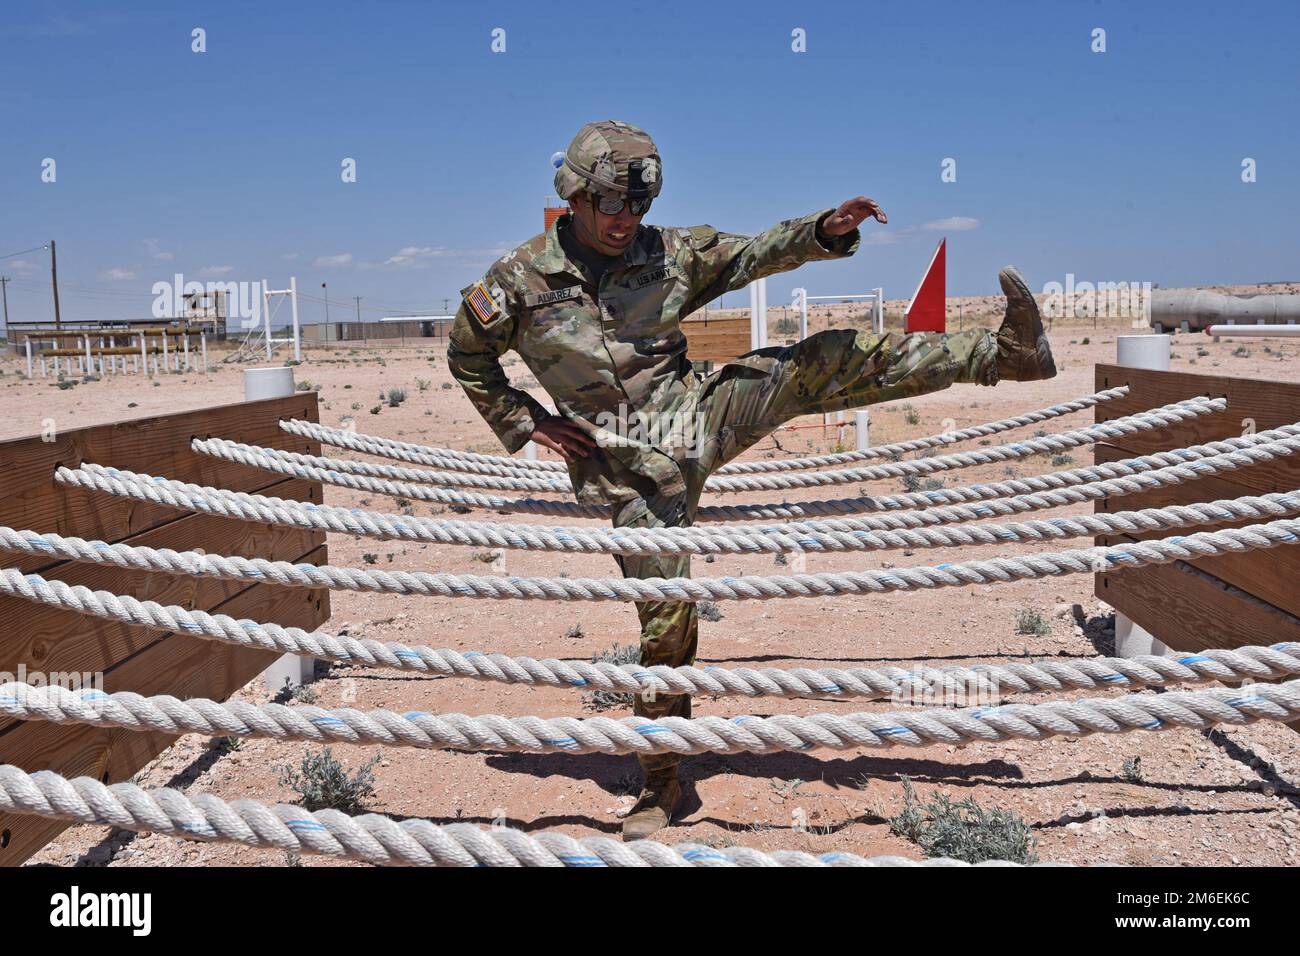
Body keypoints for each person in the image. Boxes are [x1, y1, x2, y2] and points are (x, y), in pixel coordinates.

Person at [447, 119, 1055, 840]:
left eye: (638, 206)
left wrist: (825, 230)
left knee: (816, 362)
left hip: (699, 416)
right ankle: (664, 785)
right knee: (667, 627)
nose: (625, 220)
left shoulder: (669, 253)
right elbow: (468, 357)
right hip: (628, 471)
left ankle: (1002, 353)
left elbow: (754, 254)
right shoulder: (517, 283)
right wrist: (525, 421)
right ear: (574, 196)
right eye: (611, 204)